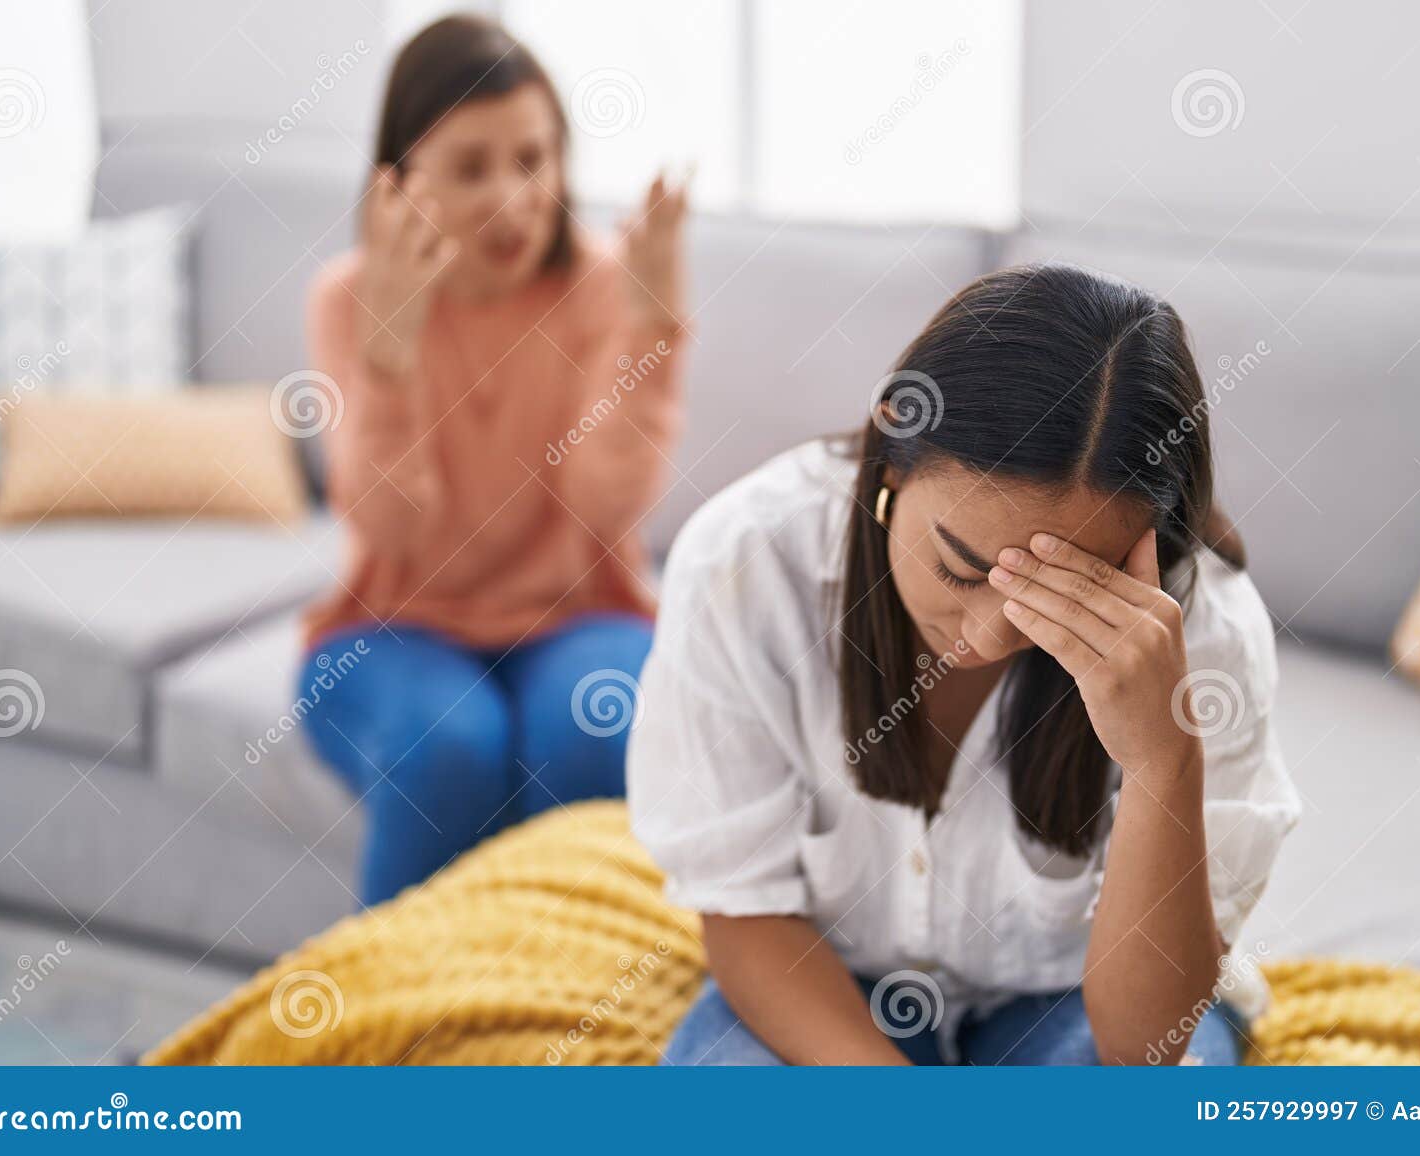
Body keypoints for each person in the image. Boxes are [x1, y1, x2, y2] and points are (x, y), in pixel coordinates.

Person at [628, 264, 1299, 1065]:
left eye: (1060, 595)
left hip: (1067, 1000)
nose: (987, 636)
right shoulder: (746, 562)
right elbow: (745, 915)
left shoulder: (1206, 633)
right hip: (824, 982)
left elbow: (1139, 1048)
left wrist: (1162, 758)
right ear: (890, 460)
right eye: (962, 569)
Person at [299, 15, 689, 906]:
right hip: (392, 626)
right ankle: (398, 1034)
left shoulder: (600, 286)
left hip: (583, 611)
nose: (514, 198)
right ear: (396, 186)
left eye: (533, 160)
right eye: (472, 169)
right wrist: (390, 354)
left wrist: (652, 336)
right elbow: (392, 524)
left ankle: (563, 1021)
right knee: (446, 750)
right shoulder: (348, 297)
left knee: (596, 732)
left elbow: (602, 504)